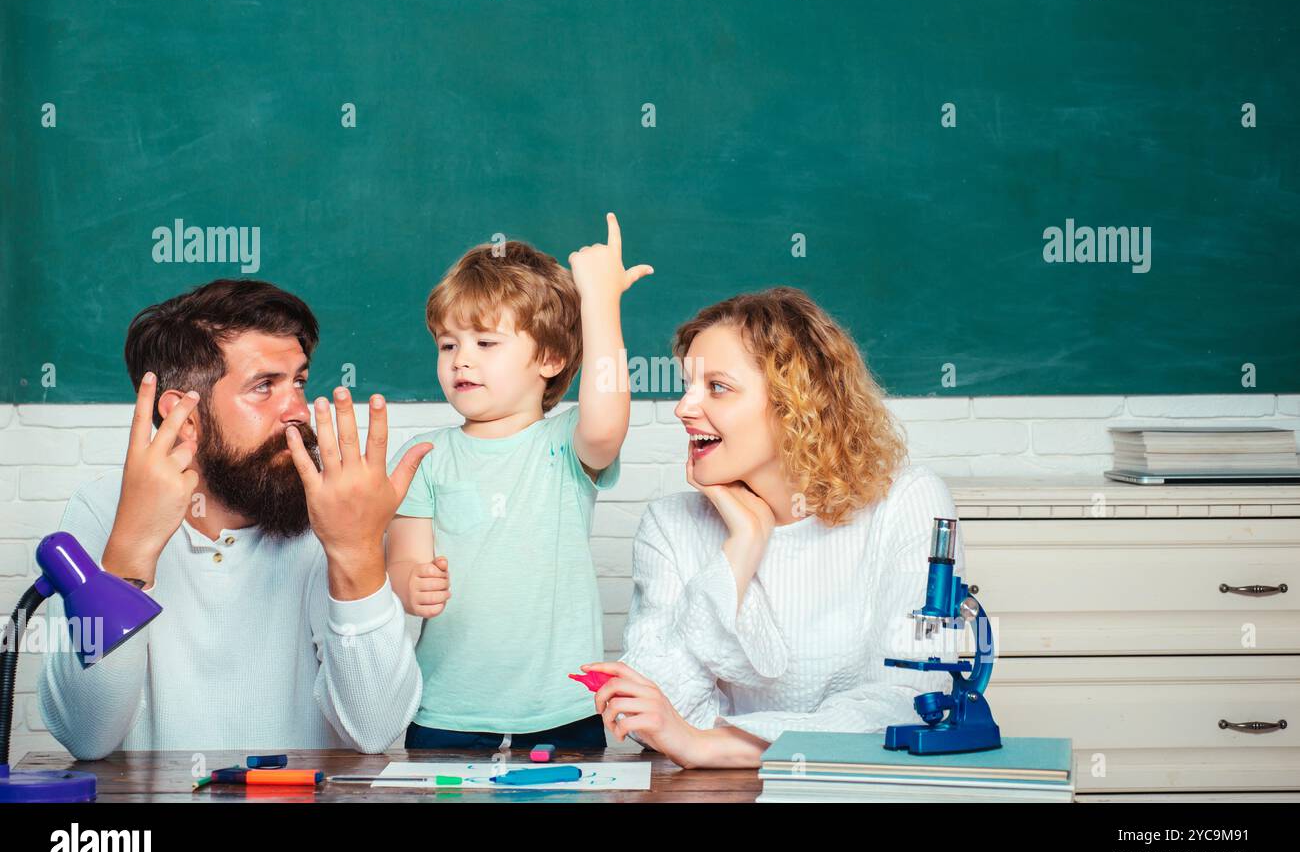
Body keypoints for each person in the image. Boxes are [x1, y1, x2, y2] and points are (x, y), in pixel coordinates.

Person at [38, 279, 430, 759]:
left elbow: (373, 729)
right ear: (185, 415)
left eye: (299, 382)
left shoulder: (332, 509)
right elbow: (87, 735)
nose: (298, 412)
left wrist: (357, 552)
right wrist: (131, 552)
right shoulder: (103, 512)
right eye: (264, 386)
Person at [582, 287, 964, 767]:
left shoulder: (907, 502)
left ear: (794, 404)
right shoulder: (671, 525)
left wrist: (710, 746)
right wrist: (742, 548)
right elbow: (652, 712)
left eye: (716, 387)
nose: (683, 408)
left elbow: (911, 697)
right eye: (687, 385)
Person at [384, 213, 650, 750]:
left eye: (486, 343)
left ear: (549, 358)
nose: (461, 359)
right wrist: (409, 584)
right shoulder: (424, 455)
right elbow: (401, 560)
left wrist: (599, 302)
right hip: (448, 706)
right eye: (448, 345)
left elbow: (607, 418)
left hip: (562, 706)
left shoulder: (568, 442)